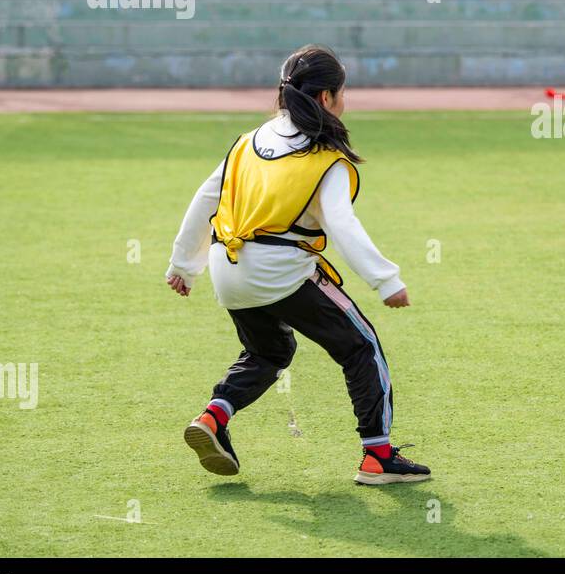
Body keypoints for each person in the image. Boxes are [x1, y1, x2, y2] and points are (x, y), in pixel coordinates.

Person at [165, 44, 430, 484]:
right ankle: (378, 457)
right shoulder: (326, 159)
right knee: (360, 347)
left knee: (270, 351)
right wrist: (386, 281)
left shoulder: (248, 141)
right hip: (279, 271)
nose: (345, 102)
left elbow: (206, 198)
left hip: (226, 267)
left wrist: (183, 264)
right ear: (326, 98)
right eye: (342, 93)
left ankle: (214, 417)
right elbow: (343, 225)